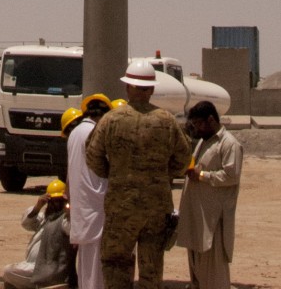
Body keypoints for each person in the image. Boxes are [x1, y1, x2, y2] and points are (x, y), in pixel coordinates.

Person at [85, 58, 192, 289]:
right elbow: (184, 159)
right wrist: (163, 176)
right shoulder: (167, 121)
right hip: (156, 207)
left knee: (116, 264)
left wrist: (112, 173)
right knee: (151, 268)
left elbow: (92, 155)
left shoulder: (110, 119)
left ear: (127, 87)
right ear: (152, 89)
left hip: (121, 205)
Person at [176, 100, 243, 289]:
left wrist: (203, 175)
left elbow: (231, 176)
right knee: (198, 278)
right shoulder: (204, 142)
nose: (196, 128)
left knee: (214, 279)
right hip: (197, 221)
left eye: (198, 123)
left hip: (213, 223)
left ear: (211, 120)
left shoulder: (229, 144)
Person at [66, 95, 111, 289]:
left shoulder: (75, 132)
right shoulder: (96, 132)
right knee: (98, 273)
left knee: (86, 270)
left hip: (82, 212)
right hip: (97, 209)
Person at [2, 178, 73, 289]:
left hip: (50, 269)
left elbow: (71, 229)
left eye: (59, 201)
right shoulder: (45, 219)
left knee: (8, 272)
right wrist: (38, 206)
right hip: (32, 266)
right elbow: (26, 223)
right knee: (9, 271)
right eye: (53, 201)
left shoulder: (64, 221)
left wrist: (70, 211)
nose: (56, 204)